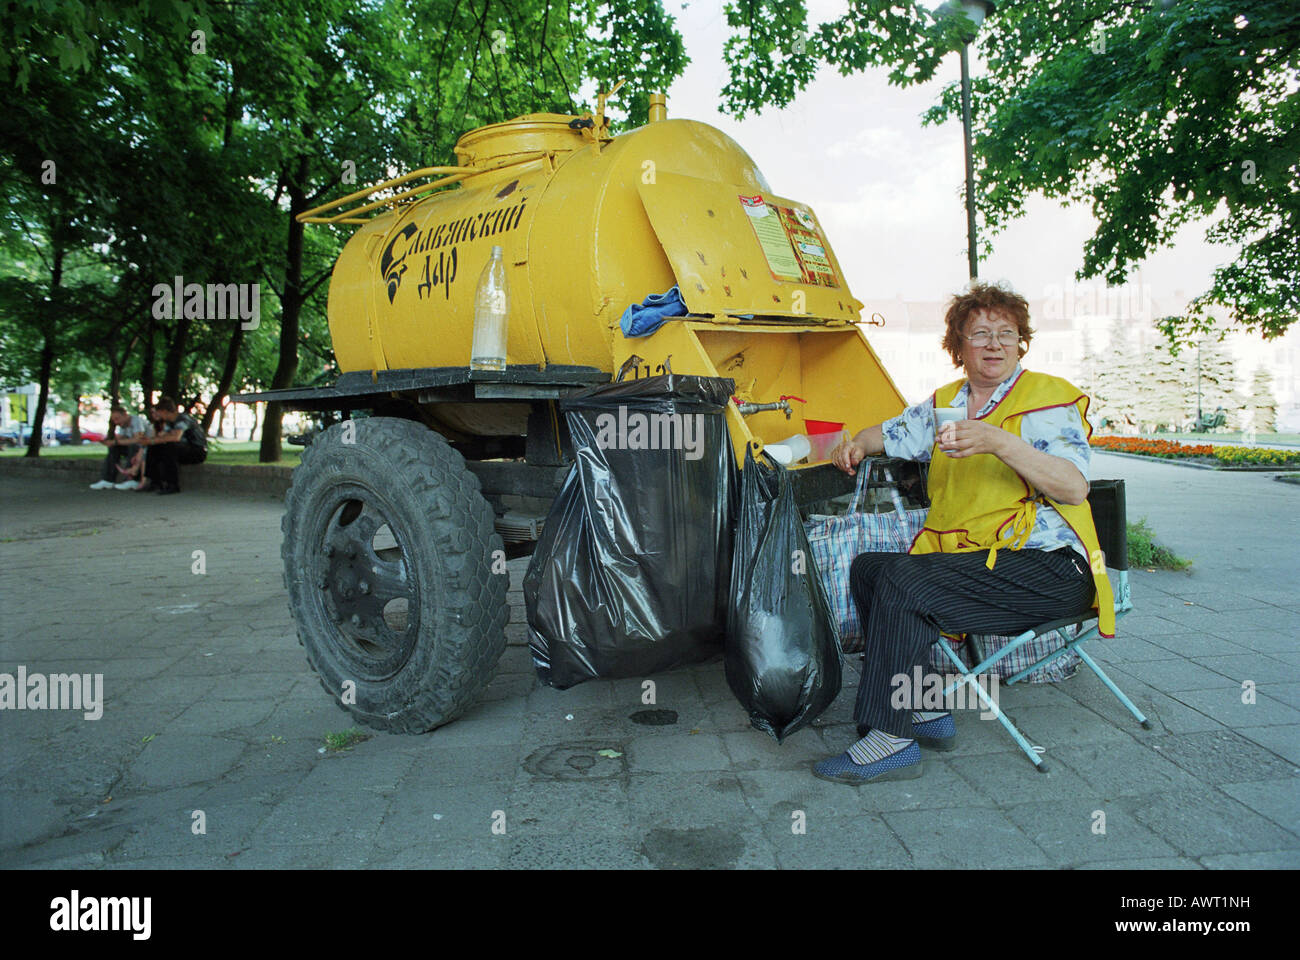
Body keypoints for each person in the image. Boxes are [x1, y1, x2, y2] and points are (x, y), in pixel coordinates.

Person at [814, 281, 1114, 785]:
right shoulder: (946, 404)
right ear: (960, 346)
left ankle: (891, 738)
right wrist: (856, 446)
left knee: (905, 581)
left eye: (1006, 333)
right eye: (980, 334)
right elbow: (887, 433)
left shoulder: (1046, 400)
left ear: (1021, 341)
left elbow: (1073, 488)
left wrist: (999, 440)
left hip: (1051, 567)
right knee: (871, 567)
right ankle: (926, 703)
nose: (995, 344)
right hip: (982, 560)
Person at [137, 396, 207, 494]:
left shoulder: (183, 419)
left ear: (164, 411)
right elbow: (162, 436)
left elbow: (176, 437)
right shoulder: (169, 423)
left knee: (170, 447)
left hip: (197, 451)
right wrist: (150, 440)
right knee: (154, 448)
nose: (158, 415)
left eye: (159, 412)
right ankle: (155, 482)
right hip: (182, 449)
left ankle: (173, 485)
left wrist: (152, 441)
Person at [89, 405, 153, 490]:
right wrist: (110, 442)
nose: (116, 422)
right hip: (137, 448)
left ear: (125, 415)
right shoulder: (123, 426)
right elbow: (119, 438)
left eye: (117, 419)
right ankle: (107, 480)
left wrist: (116, 442)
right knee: (114, 448)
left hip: (146, 449)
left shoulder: (136, 421)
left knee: (133, 446)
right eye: (114, 420)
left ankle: (132, 479)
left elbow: (138, 439)